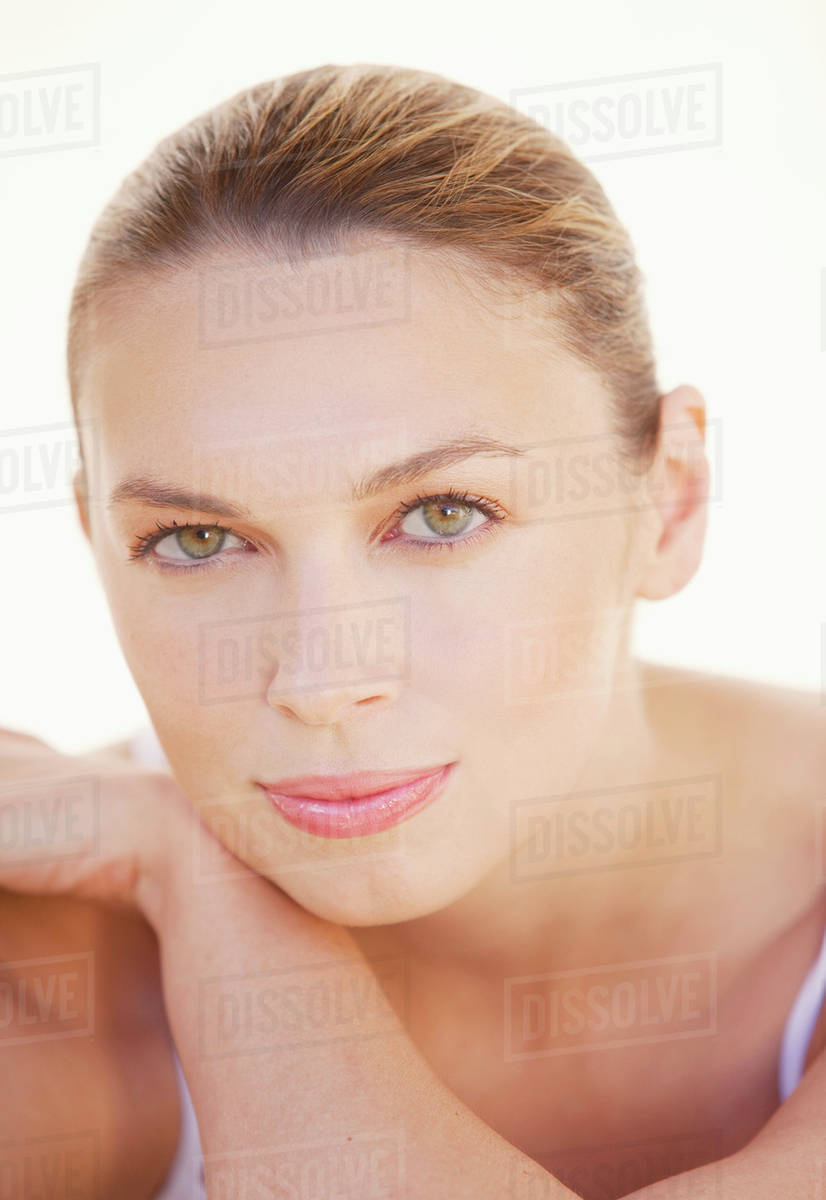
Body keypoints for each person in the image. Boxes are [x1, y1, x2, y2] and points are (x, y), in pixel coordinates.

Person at [1, 62, 824, 1200]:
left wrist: (195, 873)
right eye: (195, 540)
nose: (320, 680)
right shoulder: (44, 974)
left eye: (443, 516)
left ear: (668, 495)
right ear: (96, 538)